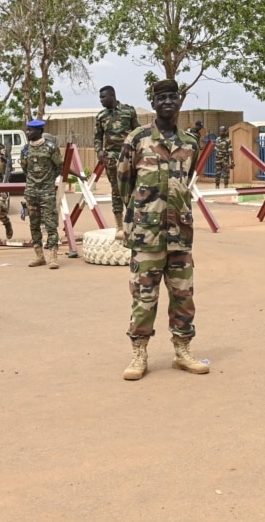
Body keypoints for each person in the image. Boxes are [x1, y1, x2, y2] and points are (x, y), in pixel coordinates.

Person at [116, 78, 208, 381]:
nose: (168, 102)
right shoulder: (137, 139)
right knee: (144, 297)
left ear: (179, 101)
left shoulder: (190, 142)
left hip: (180, 233)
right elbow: (124, 183)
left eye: (173, 97)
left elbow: (187, 180)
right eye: (162, 98)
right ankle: (139, 353)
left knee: (183, 295)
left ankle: (182, 350)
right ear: (154, 103)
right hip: (147, 235)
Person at [94, 85, 140, 240]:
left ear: (112, 96)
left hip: (129, 157)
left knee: (132, 190)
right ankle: (119, 226)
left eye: (103, 97)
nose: (101, 100)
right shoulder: (101, 116)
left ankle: (133, 223)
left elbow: (138, 133)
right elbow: (97, 138)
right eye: (100, 97)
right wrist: (99, 151)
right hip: (111, 159)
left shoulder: (129, 111)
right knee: (116, 191)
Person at [21, 119, 64, 269]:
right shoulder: (26, 149)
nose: (28, 132)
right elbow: (25, 169)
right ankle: (39, 256)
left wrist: (48, 181)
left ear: (39, 131)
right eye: (27, 130)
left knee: (51, 224)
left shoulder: (51, 147)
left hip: (47, 191)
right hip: (31, 191)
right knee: (34, 224)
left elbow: (59, 167)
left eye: (30, 130)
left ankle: (53, 256)